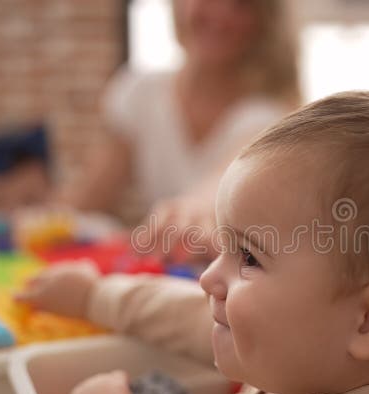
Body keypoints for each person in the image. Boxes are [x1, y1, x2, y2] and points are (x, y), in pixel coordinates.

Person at [17, 91, 369, 394]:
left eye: (249, 257)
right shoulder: (363, 365)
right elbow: (195, 317)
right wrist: (94, 297)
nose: (209, 278)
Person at [61, 0, 300, 258]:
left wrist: (194, 208)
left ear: (262, 22)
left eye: (240, 4)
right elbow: (90, 196)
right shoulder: (140, 92)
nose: (220, 13)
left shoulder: (268, 113)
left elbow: (231, 172)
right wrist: (40, 218)